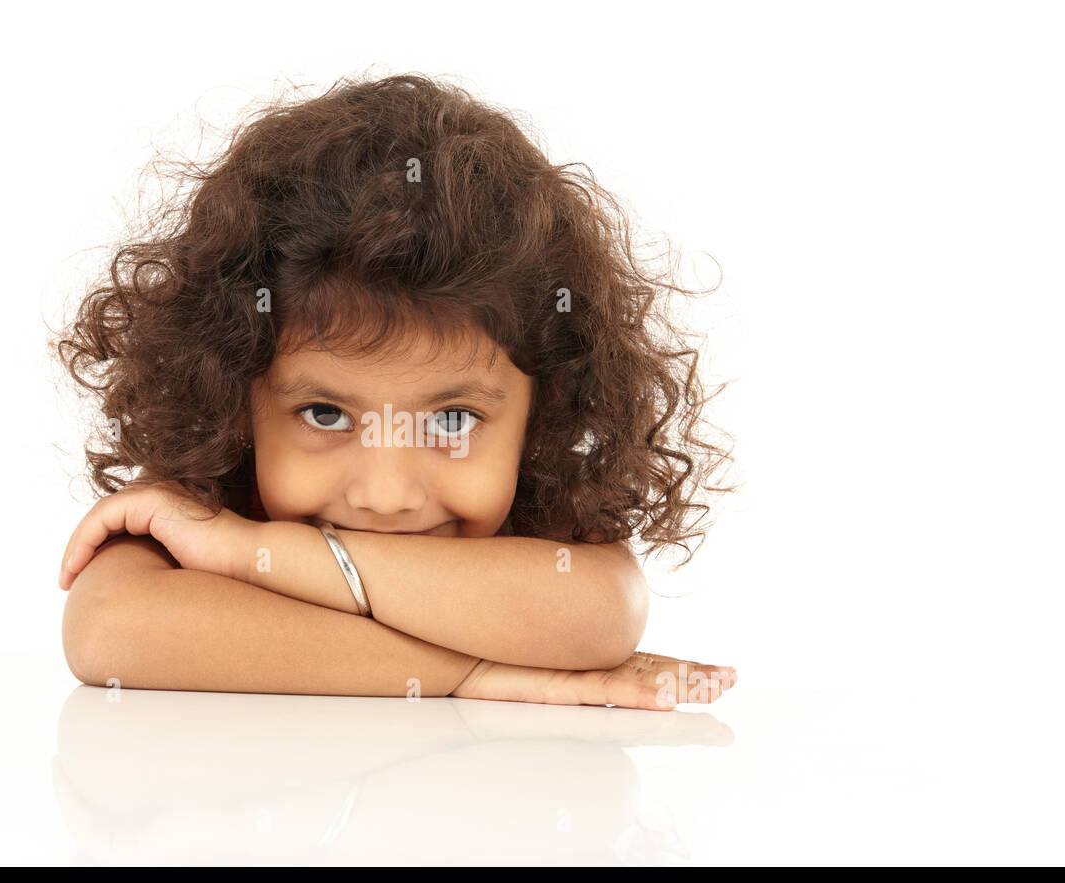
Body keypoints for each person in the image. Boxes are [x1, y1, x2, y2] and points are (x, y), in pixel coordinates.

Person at [52, 72, 738, 709]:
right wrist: (477, 668)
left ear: (544, 413)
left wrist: (246, 554)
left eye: (452, 421)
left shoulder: (218, 536)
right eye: (324, 414)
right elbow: (109, 631)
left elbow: (602, 617)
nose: (385, 493)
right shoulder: (204, 497)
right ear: (234, 401)